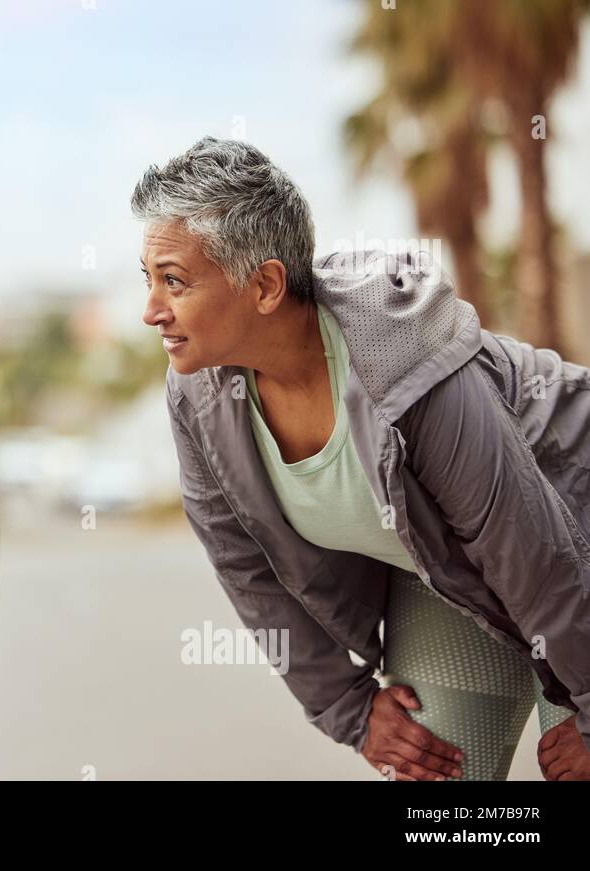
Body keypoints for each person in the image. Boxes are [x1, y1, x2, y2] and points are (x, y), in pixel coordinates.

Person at [137, 136, 590, 780]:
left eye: (174, 282)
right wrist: (349, 709)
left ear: (265, 285)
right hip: (449, 578)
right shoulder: (200, 396)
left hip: (574, 540)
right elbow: (248, 570)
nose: (151, 310)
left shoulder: (401, 362)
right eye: (148, 280)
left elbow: (528, 544)